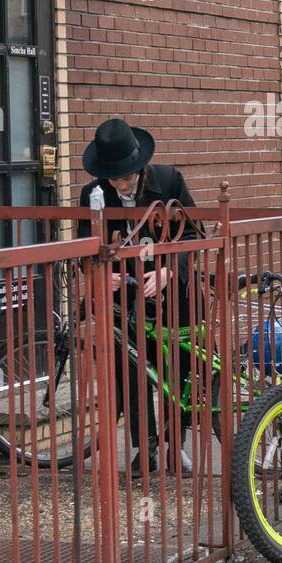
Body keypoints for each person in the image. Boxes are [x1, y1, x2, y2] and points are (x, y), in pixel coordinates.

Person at [77, 118, 197, 475]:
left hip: (171, 295)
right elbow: (86, 247)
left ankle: (176, 445)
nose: (122, 185)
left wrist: (168, 270)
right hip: (123, 300)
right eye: (115, 179)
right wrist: (101, 272)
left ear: (141, 168)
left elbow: (193, 235)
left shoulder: (170, 180)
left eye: (128, 177)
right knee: (130, 371)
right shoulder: (93, 194)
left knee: (179, 369)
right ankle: (143, 448)